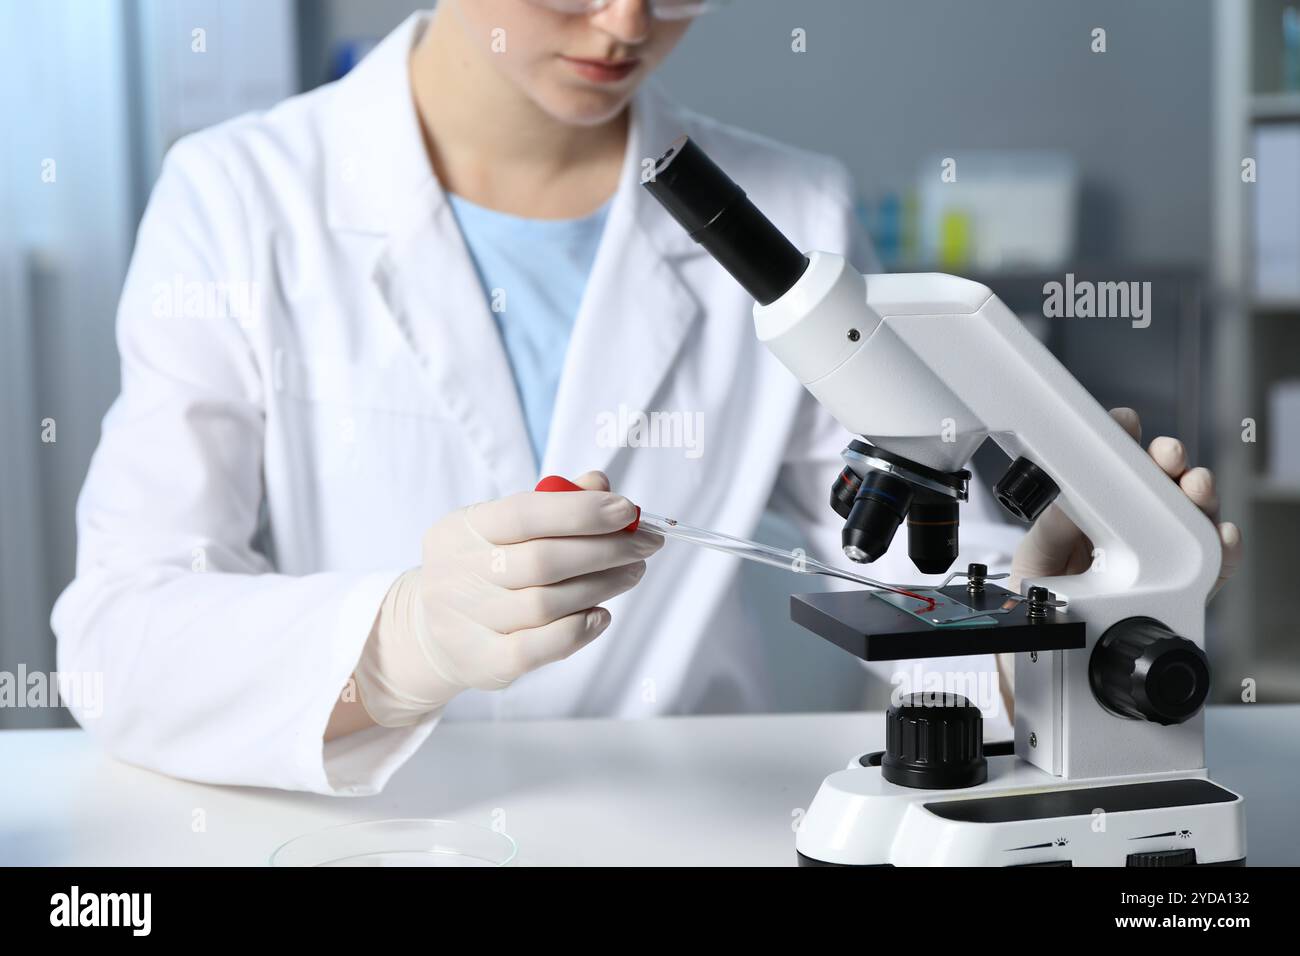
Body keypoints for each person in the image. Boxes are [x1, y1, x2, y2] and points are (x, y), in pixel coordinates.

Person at [53, 0, 1241, 794]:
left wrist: (1048, 611)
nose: (626, 22)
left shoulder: (794, 213)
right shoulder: (239, 200)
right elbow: (115, 637)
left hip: (689, 823)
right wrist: (397, 641)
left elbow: (907, 586)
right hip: (382, 829)